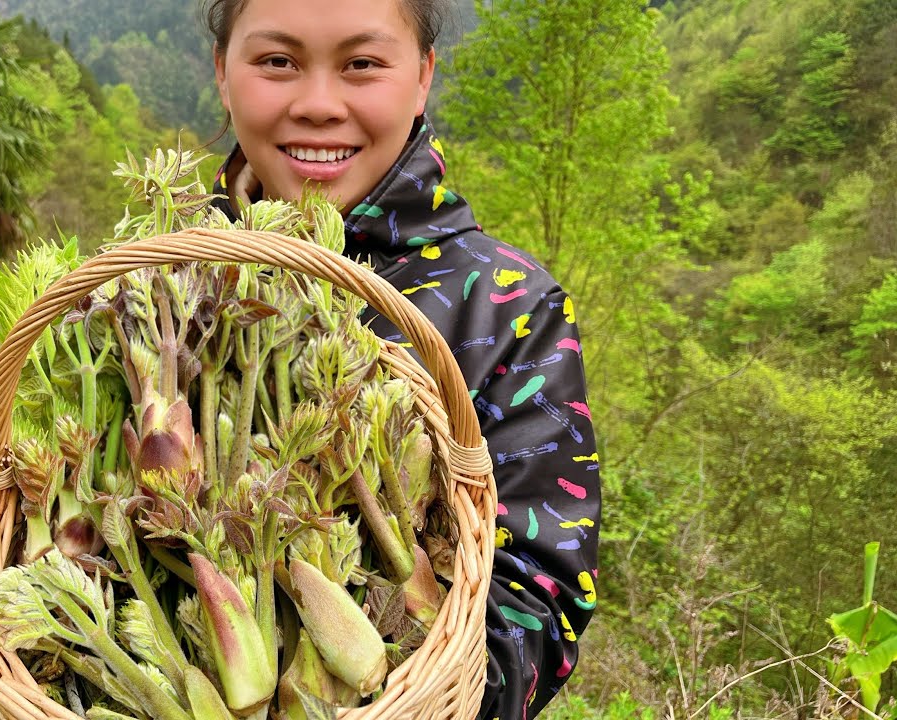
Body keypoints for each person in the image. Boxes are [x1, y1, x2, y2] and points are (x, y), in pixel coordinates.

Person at [201, 0, 601, 717]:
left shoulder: (508, 306)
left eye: (361, 64)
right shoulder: (154, 290)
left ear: (421, 79)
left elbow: (542, 598)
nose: (318, 105)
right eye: (277, 62)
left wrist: (404, 699)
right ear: (223, 76)